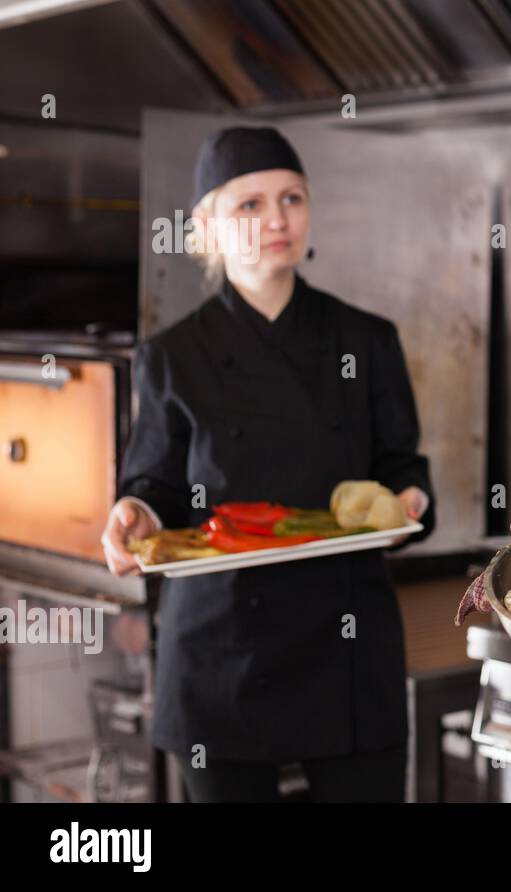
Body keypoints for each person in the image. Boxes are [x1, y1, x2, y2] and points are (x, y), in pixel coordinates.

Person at [100, 126, 434, 802]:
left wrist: (410, 503)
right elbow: (152, 485)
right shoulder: (172, 355)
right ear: (207, 227)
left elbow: (403, 467)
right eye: (249, 205)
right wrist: (133, 513)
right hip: (220, 655)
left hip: (344, 651)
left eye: (291, 198)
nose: (276, 219)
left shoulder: (367, 340)